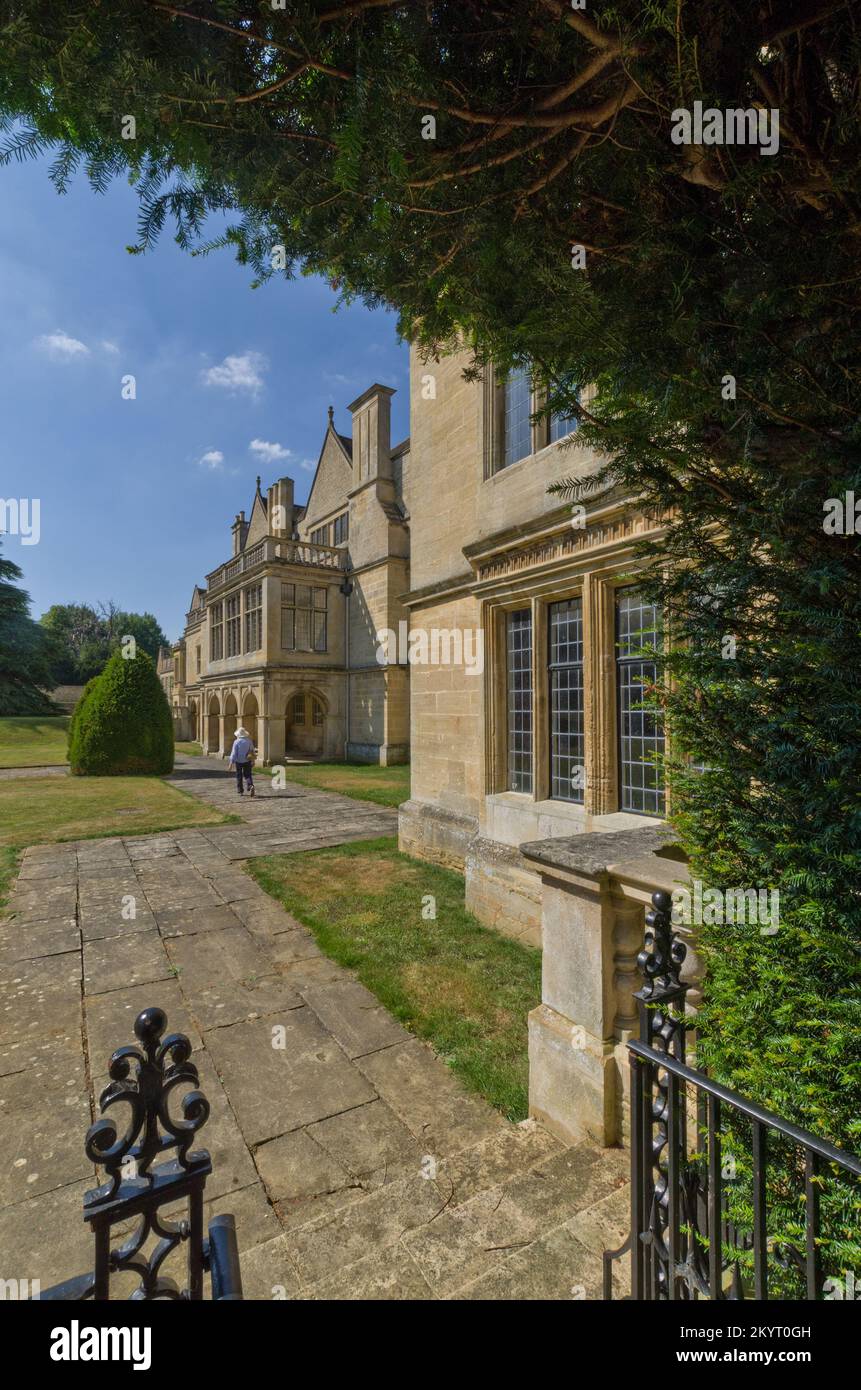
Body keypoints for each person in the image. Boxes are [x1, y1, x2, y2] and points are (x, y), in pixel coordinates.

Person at [227, 725, 256, 796]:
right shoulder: (249, 741)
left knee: (239, 776)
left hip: (239, 761)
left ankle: (240, 791)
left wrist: (231, 763)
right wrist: (253, 761)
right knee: (248, 775)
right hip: (247, 760)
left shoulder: (236, 742)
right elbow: (252, 751)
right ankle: (250, 785)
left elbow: (234, 753)